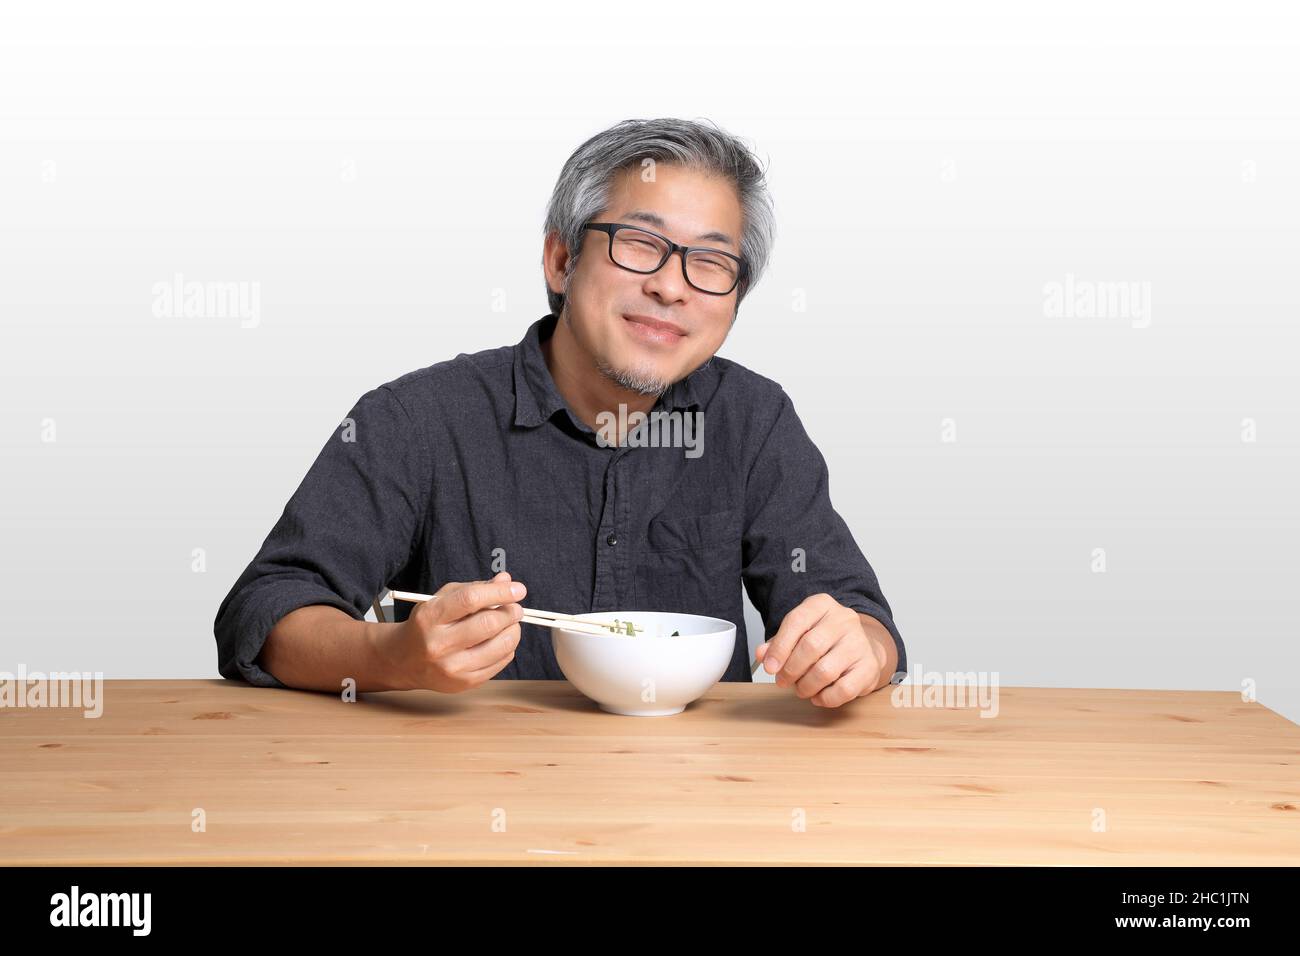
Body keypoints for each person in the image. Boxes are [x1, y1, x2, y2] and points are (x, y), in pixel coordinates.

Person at [214, 117, 906, 708]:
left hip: (700, 804)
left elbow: (865, 625)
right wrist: (392, 655)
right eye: (641, 244)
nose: (671, 286)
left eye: (711, 262)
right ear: (560, 258)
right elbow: (265, 610)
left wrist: (857, 652)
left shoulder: (752, 422)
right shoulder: (419, 419)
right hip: (460, 802)